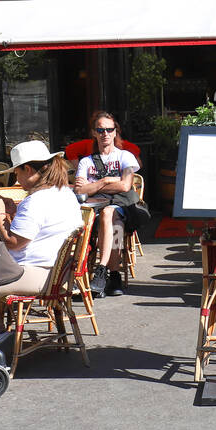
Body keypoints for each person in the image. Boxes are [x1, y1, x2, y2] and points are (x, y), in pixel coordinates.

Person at [0, 143, 83, 347]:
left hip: (35, 273)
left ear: (28, 170)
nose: (16, 179)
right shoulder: (64, 193)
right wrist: (13, 211)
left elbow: (14, 243)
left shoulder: (37, 201)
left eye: (17, 172)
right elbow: (36, 230)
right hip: (57, 272)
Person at [74, 111, 140, 297]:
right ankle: (114, 275)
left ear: (115, 132)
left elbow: (125, 185)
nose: (105, 133)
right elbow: (79, 191)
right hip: (93, 214)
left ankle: (101, 270)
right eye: (100, 130)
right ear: (94, 133)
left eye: (109, 129)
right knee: (115, 224)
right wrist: (105, 181)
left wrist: (92, 186)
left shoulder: (125, 156)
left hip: (122, 208)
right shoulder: (86, 162)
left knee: (109, 214)